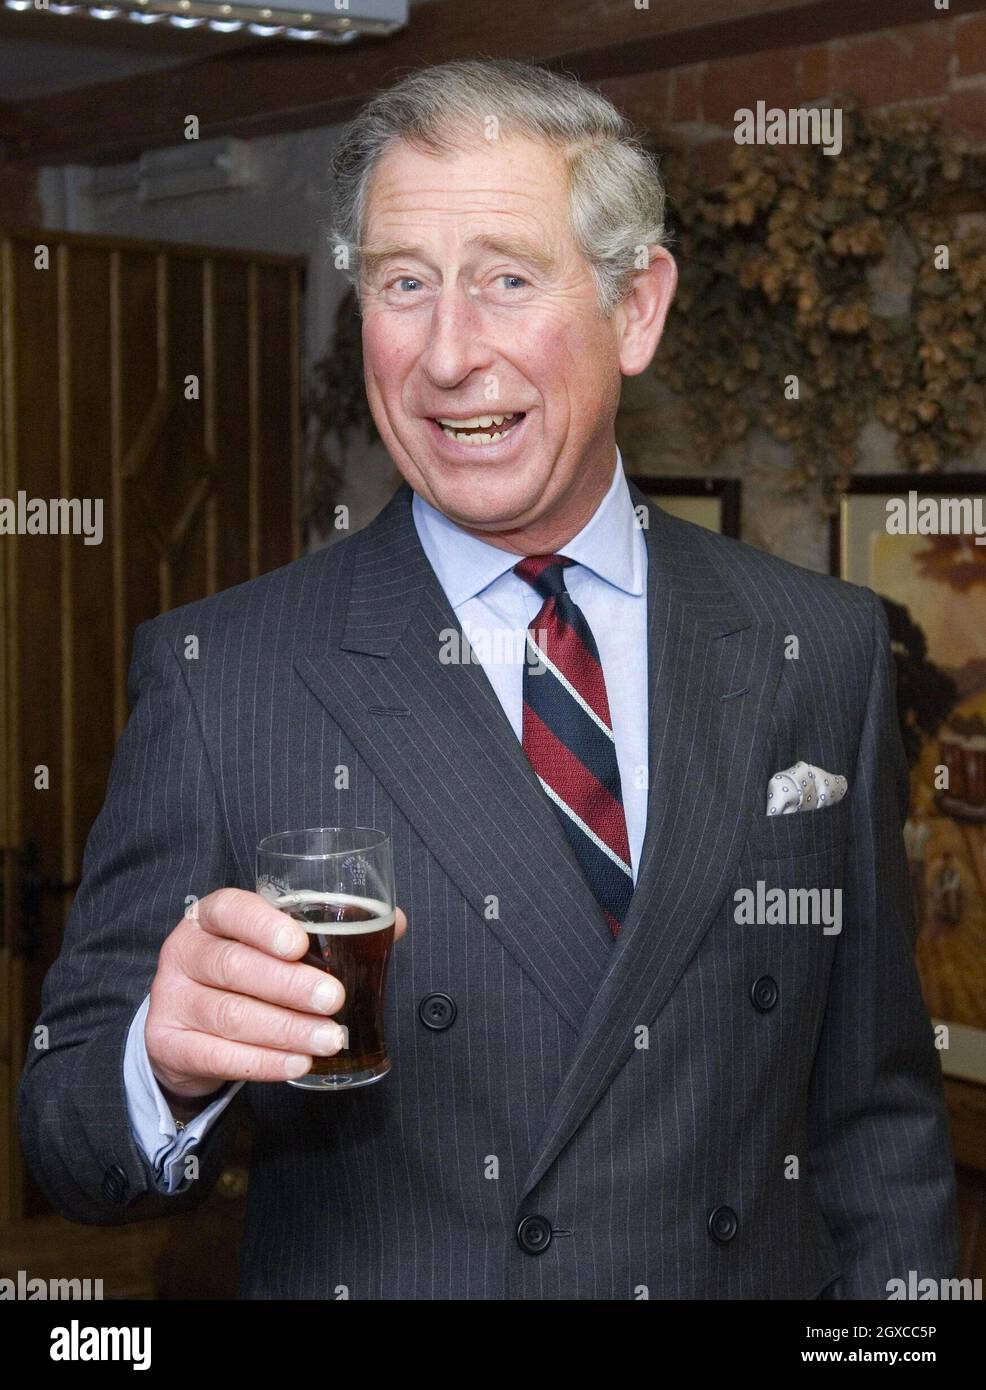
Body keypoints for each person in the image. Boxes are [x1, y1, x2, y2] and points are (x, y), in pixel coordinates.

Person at [19, 58, 959, 1300]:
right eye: (403, 284)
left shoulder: (818, 646)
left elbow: (875, 1119)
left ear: (636, 309)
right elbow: (68, 1134)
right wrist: (163, 1060)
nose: (447, 356)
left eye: (506, 280)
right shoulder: (223, 673)